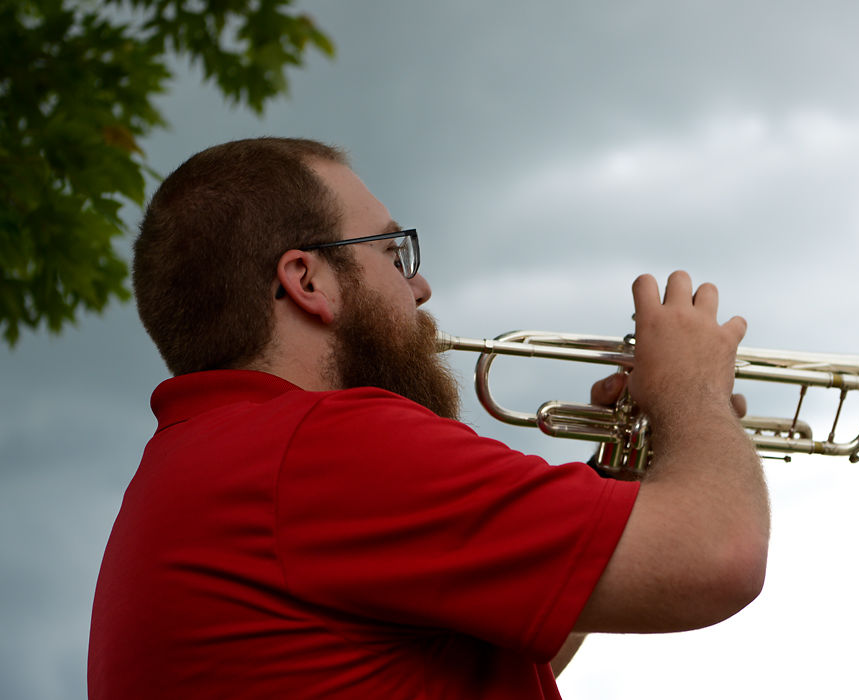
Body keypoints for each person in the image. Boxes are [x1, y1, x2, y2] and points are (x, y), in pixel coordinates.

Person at [88, 137, 770, 699]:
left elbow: (487, 654)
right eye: (392, 252)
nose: (420, 287)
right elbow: (720, 557)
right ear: (307, 281)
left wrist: (632, 469)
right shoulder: (324, 445)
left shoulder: (202, 469)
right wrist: (691, 386)